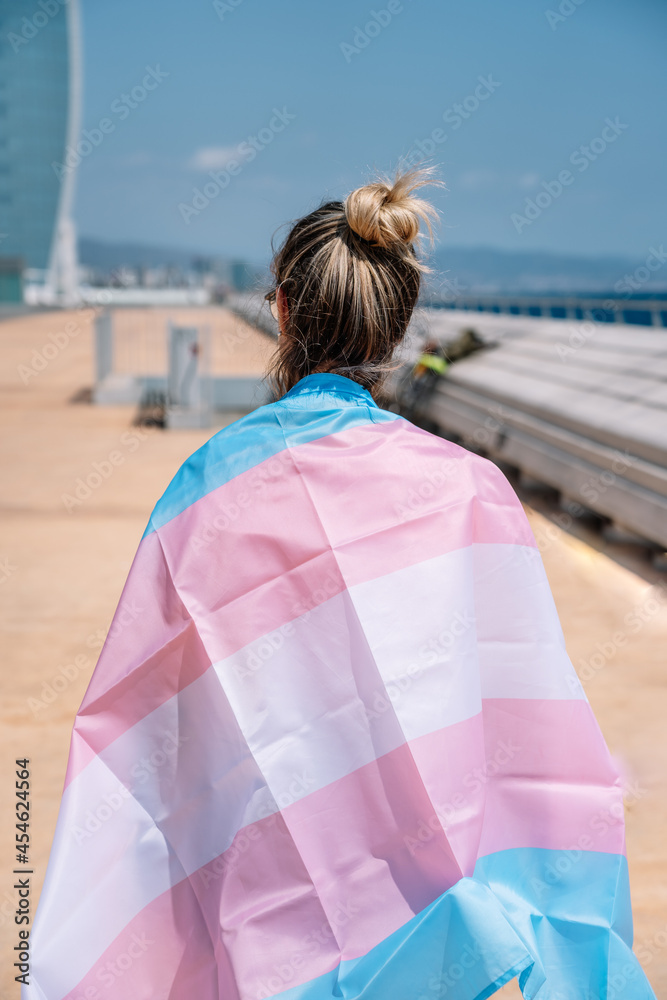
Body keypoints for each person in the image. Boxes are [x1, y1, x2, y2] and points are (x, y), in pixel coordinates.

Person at [26, 168, 656, 1000]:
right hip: (428, 941)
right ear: (398, 324)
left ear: (282, 310)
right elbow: (537, 736)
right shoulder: (466, 488)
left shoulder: (205, 487)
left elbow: (139, 735)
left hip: (261, 915)